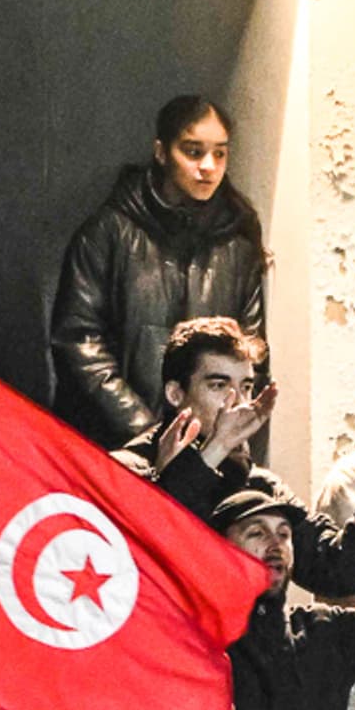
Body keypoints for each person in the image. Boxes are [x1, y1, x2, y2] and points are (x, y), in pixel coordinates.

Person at [49, 96, 264, 447]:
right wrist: (146, 432)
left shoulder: (236, 246)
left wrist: (226, 432)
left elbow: (252, 351)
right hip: (117, 447)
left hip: (209, 448)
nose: (208, 166)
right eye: (193, 152)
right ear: (162, 153)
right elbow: (78, 341)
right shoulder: (110, 233)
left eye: (220, 153)